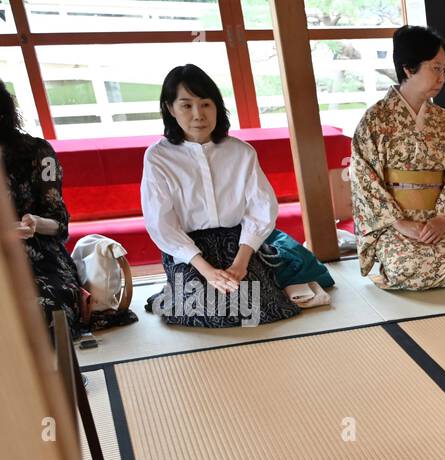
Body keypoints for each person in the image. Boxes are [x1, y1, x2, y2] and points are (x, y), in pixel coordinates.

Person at [141, 64, 300, 327]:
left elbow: (261, 209)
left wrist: (240, 265)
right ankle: (174, 291)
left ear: (217, 106)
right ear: (170, 109)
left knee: (257, 307)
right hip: (189, 250)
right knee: (203, 309)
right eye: (186, 105)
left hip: (237, 244)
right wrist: (206, 270)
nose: (198, 114)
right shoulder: (158, 157)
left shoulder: (242, 152)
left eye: (205, 104)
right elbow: (161, 223)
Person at [351, 25, 445, 290]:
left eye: (444, 70)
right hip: (395, 222)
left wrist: (443, 219)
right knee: (407, 267)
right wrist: (399, 222)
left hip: (436, 220)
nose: (442, 77)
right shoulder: (375, 120)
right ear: (408, 68)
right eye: (435, 68)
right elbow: (364, 179)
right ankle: (390, 258)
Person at [1, 82, 115, 339]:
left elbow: (58, 222)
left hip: (38, 255)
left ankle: (59, 376)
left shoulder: (37, 152)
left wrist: (34, 223)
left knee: (50, 307)